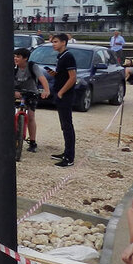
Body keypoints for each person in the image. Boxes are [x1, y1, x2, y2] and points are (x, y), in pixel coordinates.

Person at [13, 47, 51, 152]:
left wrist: (46, 90)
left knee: (31, 116)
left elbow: (41, 78)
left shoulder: (32, 66)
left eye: (18, 57)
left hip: (31, 92)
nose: (15, 58)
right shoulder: (12, 67)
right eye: (15, 56)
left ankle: (33, 141)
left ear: (25, 58)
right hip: (16, 92)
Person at [50, 33, 77, 168]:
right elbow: (63, 74)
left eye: (55, 42)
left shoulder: (68, 56)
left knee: (67, 126)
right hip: (59, 92)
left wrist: (61, 92)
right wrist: (55, 74)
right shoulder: (60, 56)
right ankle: (66, 152)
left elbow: (72, 77)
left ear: (63, 42)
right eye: (52, 42)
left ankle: (69, 157)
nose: (53, 44)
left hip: (65, 95)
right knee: (63, 125)